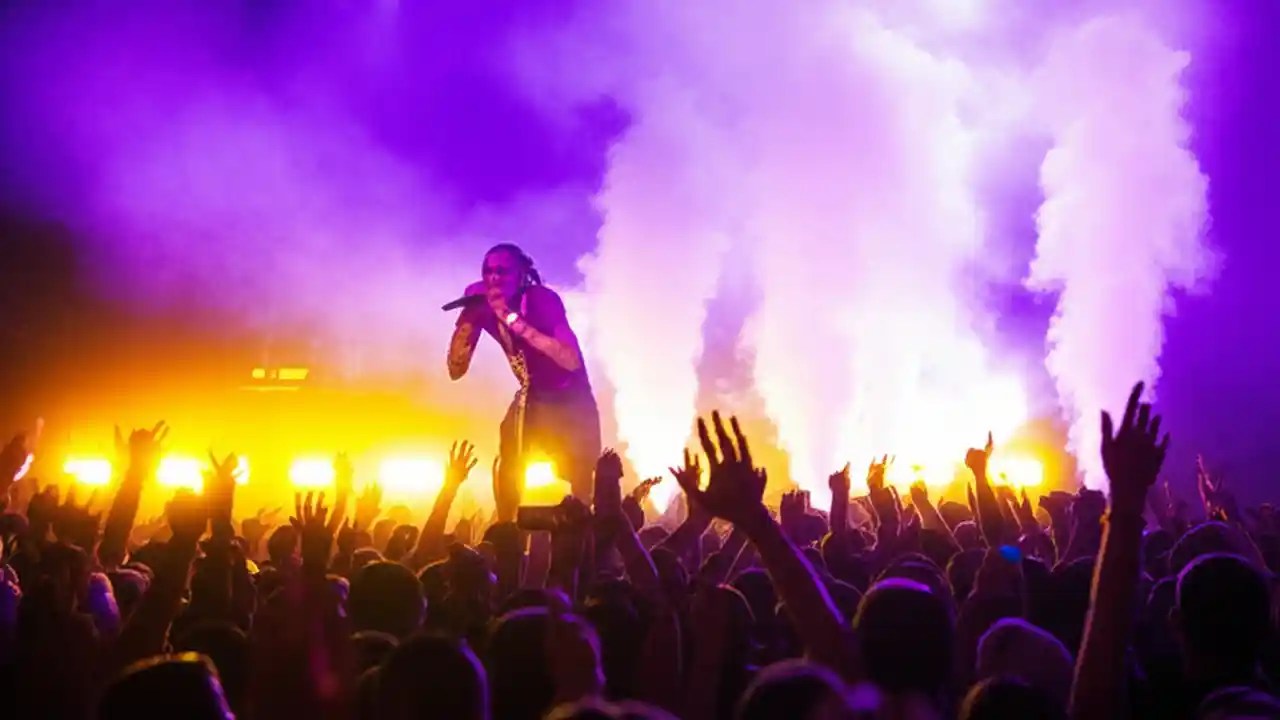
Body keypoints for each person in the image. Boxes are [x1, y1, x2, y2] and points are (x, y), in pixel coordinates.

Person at [446, 243, 601, 509]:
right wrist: (468, 319)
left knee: (581, 479)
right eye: (488, 271)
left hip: (571, 398)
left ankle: (583, 535)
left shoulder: (542, 299)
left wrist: (511, 319)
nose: (494, 277)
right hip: (533, 395)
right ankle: (507, 531)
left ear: (521, 275)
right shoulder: (482, 303)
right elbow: (455, 370)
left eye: (503, 271)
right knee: (509, 453)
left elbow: (570, 360)